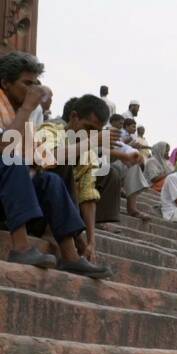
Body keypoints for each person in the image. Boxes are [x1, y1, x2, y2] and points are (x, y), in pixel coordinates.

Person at [0, 53, 111, 278]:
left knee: (51, 179)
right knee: (13, 160)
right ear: (6, 83)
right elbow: (6, 147)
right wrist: (27, 108)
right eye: (26, 83)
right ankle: (20, 247)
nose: (32, 89)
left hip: (10, 193)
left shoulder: (26, 113)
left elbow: (43, 158)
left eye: (35, 84)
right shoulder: (21, 109)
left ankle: (70, 255)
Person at [35, 95, 113, 261]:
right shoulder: (50, 130)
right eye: (88, 128)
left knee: (106, 173)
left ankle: (72, 237)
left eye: (96, 132)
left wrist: (92, 242)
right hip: (31, 209)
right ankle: (61, 237)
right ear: (74, 117)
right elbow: (47, 159)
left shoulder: (88, 153)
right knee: (62, 163)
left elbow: (88, 194)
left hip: (62, 219)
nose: (90, 135)